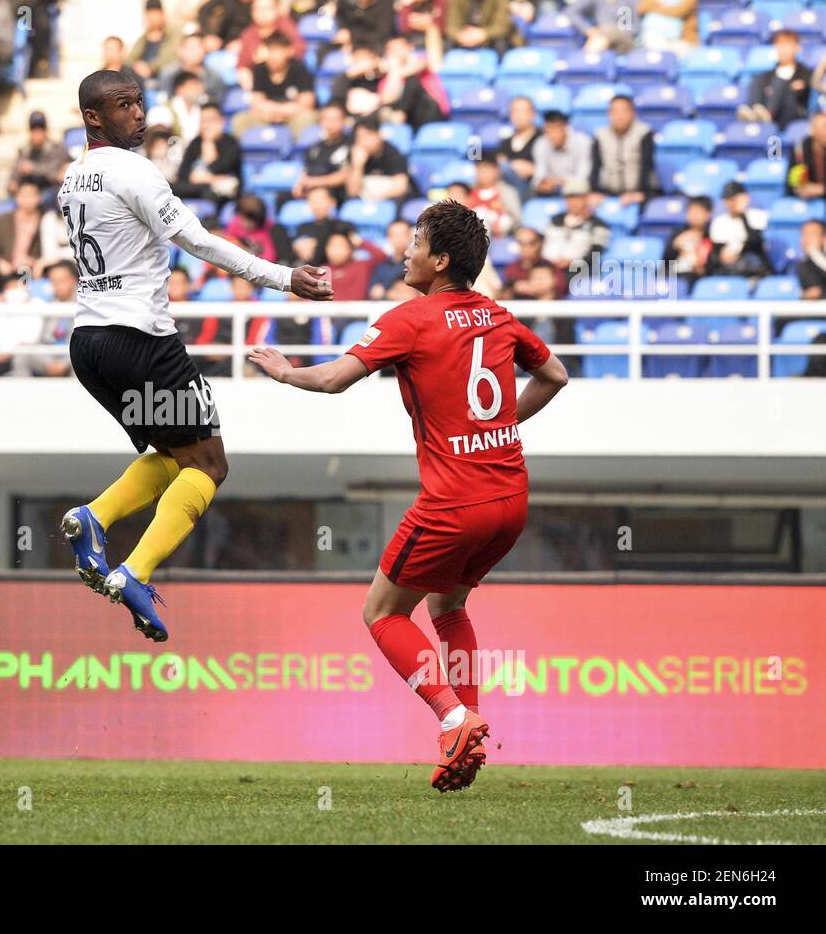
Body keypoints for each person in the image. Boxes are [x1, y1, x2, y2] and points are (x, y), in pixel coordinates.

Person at [248, 200, 568, 792]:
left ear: (440, 260)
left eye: (415, 242)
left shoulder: (410, 317)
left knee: (383, 611)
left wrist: (286, 370)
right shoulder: (498, 316)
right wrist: (502, 425)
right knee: (449, 608)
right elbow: (556, 376)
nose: (405, 251)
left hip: (453, 504)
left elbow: (334, 378)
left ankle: (453, 719)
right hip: (510, 501)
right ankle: (467, 733)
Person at [57, 69, 332, 642]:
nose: (138, 113)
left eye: (139, 102)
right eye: (123, 105)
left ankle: (95, 519)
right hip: (141, 340)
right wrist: (284, 278)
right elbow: (198, 240)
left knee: (178, 455)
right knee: (210, 466)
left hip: (90, 344)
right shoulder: (133, 170)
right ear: (92, 117)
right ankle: (133, 570)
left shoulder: (72, 177)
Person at [591, 96, 656, 205]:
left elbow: (647, 165)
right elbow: (596, 167)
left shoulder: (644, 133)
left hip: (641, 193)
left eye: (624, 111)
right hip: (610, 193)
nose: (619, 116)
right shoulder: (600, 135)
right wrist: (595, 191)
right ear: (609, 114)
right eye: (615, 111)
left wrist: (639, 193)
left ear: (632, 113)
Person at [742, 29, 812, 129]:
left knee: (780, 82)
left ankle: (767, 115)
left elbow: (805, 97)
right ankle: (753, 114)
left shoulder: (806, 74)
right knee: (758, 80)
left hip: (793, 115)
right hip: (767, 111)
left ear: (797, 48)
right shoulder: (766, 76)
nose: (782, 49)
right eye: (779, 45)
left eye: (787, 44)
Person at [796, 220, 826, 300]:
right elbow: (814, 292)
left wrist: (817, 256)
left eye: (812, 234)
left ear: (823, 238)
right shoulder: (803, 264)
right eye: (804, 234)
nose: (807, 238)